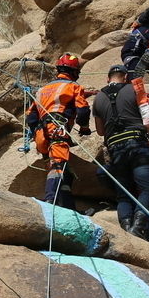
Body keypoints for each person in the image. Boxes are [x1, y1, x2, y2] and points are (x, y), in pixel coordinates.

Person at [92, 64, 149, 241]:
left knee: (123, 193)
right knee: (146, 188)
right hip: (137, 144)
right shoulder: (134, 88)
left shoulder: (98, 97)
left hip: (115, 148)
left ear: (108, 79)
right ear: (125, 77)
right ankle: (138, 228)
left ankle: (127, 230)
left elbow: (100, 131)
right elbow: (148, 118)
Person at [24, 54, 91, 209]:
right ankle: (50, 203)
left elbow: (30, 116)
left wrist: (37, 133)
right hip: (57, 132)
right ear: (74, 72)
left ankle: (69, 207)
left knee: (63, 172)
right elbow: (83, 110)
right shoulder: (74, 87)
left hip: (42, 134)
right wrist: (84, 128)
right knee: (58, 167)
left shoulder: (42, 89)